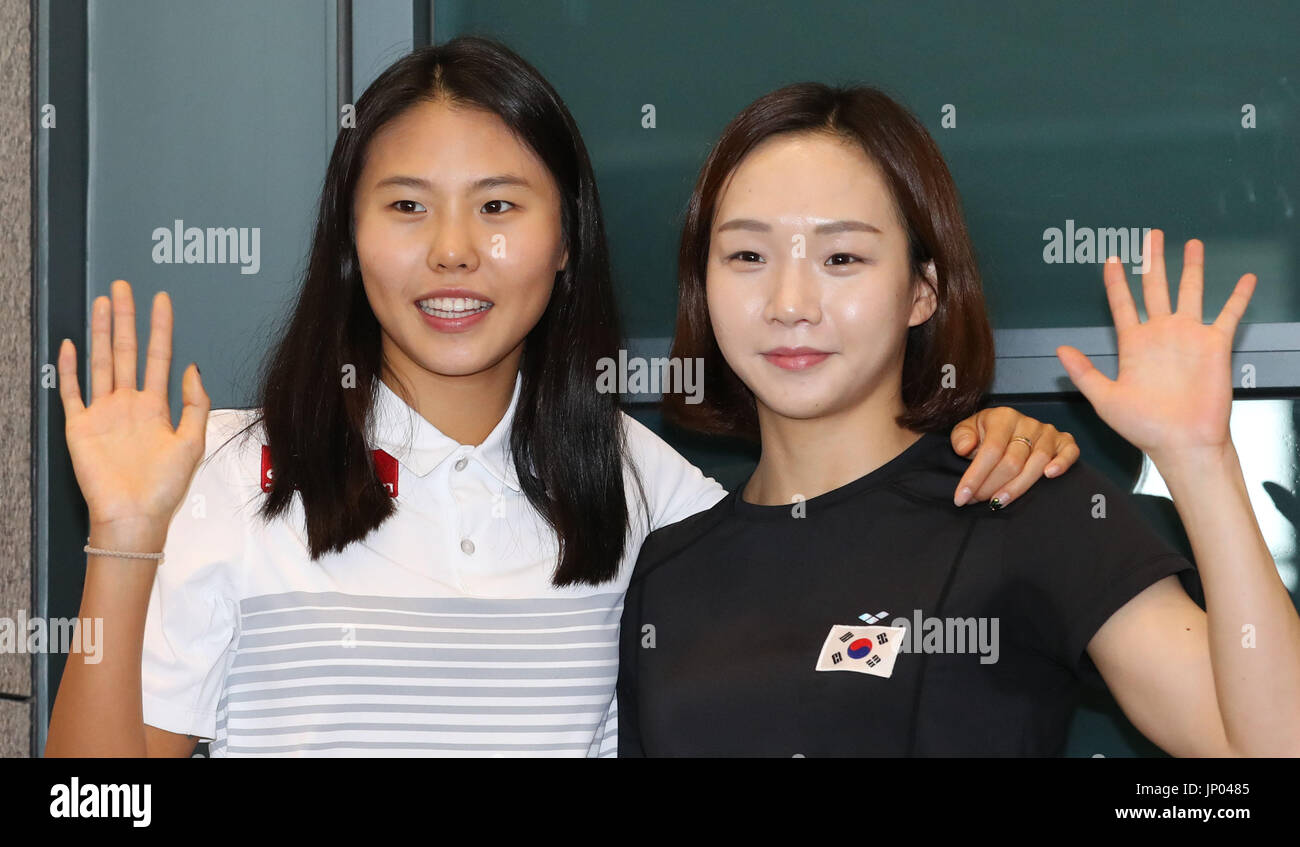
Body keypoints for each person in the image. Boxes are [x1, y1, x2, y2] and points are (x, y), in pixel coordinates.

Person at [44, 40, 1077, 758]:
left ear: (566, 240)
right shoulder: (231, 475)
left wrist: (969, 439)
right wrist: (127, 532)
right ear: (351, 246)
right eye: (406, 207)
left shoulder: (648, 491)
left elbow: (835, 529)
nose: (453, 251)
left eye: (499, 206)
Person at [616, 82, 1300, 757]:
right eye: (747, 256)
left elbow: (1268, 746)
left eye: (842, 257)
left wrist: (1199, 458)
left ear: (922, 290)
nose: (790, 302)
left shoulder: (1022, 500)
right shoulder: (668, 569)